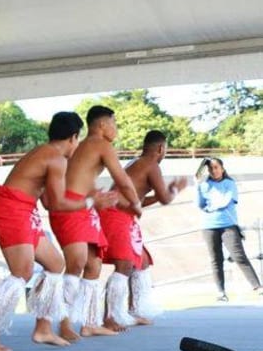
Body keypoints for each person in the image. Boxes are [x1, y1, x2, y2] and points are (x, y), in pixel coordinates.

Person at [0, 112, 117, 351]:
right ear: (73, 137)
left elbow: (49, 203)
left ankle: (43, 327)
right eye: (77, 141)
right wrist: (92, 202)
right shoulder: (56, 159)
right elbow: (60, 204)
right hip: (10, 210)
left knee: (55, 263)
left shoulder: (45, 154)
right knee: (22, 272)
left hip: (22, 210)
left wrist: (88, 199)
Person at [47, 106, 139, 340]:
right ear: (101, 126)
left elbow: (81, 176)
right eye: (114, 123)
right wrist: (135, 204)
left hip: (83, 207)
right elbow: (123, 180)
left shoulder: (83, 147)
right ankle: (63, 322)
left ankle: (89, 322)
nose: (116, 129)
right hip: (71, 207)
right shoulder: (100, 144)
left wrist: (94, 197)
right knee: (76, 264)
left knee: (93, 265)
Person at [100, 130, 188, 323]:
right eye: (165, 149)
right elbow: (166, 198)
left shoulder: (135, 163)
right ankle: (111, 317)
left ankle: (135, 309)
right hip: (116, 215)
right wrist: (174, 189)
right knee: (124, 264)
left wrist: (159, 194)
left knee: (142, 261)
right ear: (160, 148)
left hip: (122, 214)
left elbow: (138, 200)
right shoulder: (151, 165)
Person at [197, 157, 261, 300]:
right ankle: (221, 292)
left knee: (239, 256)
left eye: (216, 167)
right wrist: (198, 185)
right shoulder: (204, 185)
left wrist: (211, 207)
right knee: (216, 259)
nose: (214, 171)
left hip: (228, 225)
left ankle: (257, 287)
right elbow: (200, 204)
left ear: (222, 168)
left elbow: (225, 201)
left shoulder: (230, 183)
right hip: (209, 226)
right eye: (210, 169)